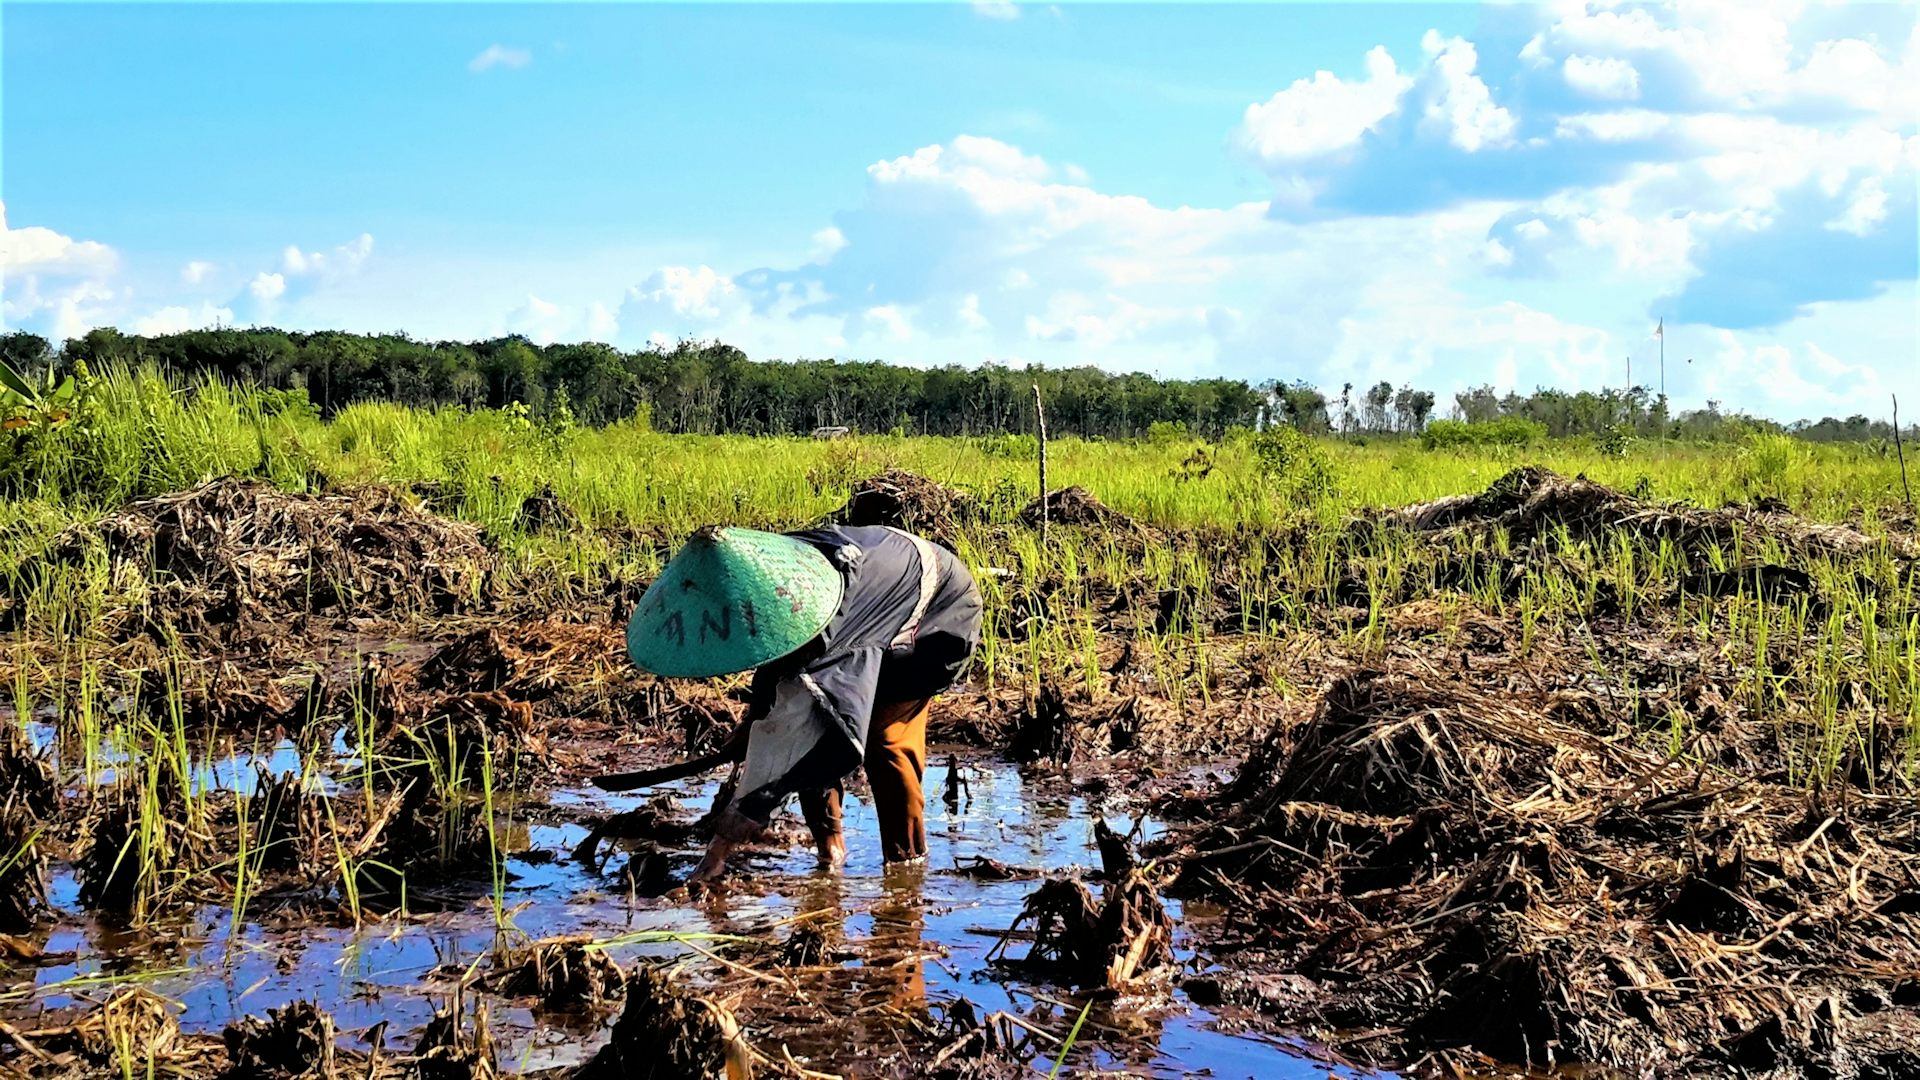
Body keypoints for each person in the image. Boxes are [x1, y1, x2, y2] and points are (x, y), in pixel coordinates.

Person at [625, 523, 982, 884]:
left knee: (883, 741)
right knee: (811, 712)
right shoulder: (767, 577)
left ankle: (906, 871)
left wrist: (742, 822)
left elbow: (825, 736)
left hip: (936, 608)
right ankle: (831, 850)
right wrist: (753, 719)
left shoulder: (832, 630)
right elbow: (777, 667)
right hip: (875, 578)